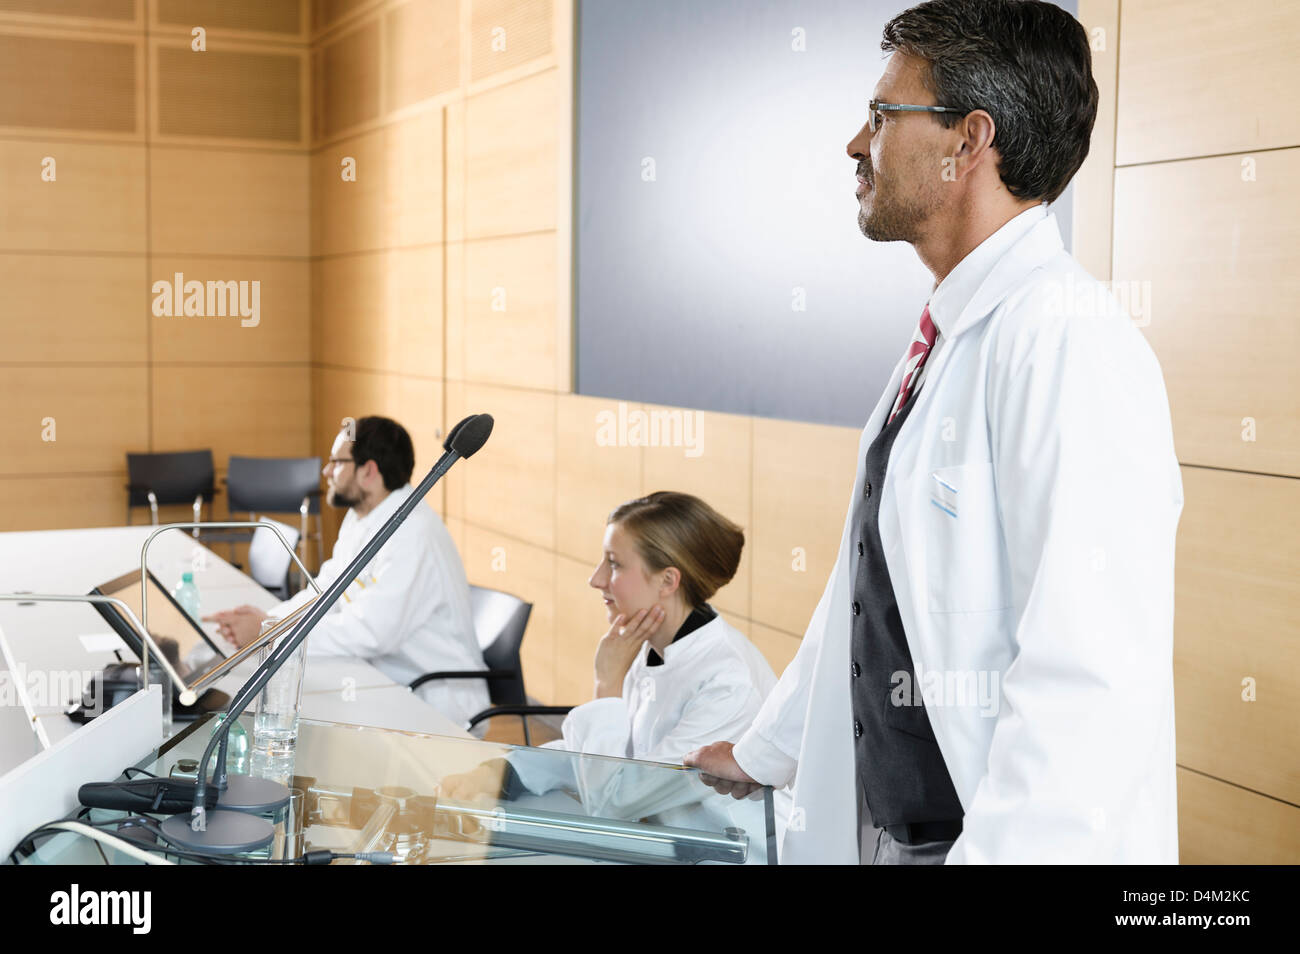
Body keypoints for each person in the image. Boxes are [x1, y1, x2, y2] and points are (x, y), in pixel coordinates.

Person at [686, 0, 1182, 865]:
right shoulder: (952, 334)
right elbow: (866, 591)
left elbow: (1087, 678)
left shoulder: (1065, 338)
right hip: (895, 833)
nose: (855, 144)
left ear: (967, 140)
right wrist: (765, 752)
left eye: (880, 116)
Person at [441, 492, 785, 856]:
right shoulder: (655, 644)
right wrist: (499, 773)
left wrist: (607, 686)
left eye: (614, 564)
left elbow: (614, 804)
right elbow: (596, 754)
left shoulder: (728, 682)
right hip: (654, 840)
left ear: (667, 581)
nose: (596, 579)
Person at [204, 416, 489, 727]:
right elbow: (325, 590)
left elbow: (371, 633)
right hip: (382, 677)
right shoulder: (363, 517)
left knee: (294, 712)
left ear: (368, 470)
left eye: (337, 462)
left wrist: (271, 634)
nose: (326, 472)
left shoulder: (413, 532)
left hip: (434, 701)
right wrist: (269, 624)